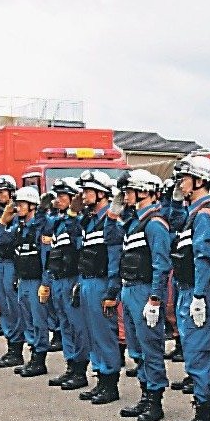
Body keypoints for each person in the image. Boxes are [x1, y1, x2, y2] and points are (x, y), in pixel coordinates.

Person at [167, 156, 210, 421]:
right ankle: (200, 414)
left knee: (199, 354)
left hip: (199, 290)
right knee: (193, 353)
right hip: (189, 288)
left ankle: (205, 420)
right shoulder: (194, 212)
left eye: (184, 179)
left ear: (199, 181)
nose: (179, 183)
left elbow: (205, 258)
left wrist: (200, 295)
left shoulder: (204, 214)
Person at [114, 170, 172, 421]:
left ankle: (155, 400)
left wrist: (155, 299)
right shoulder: (135, 221)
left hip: (145, 291)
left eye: (129, 191)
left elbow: (162, 264)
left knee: (151, 347)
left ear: (144, 191)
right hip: (129, 289)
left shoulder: (155, 223)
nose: (125, 196)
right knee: (136, 348)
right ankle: (145, 394)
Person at [76, 170, 125, 405]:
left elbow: (115, 257)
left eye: (87, 191)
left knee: (105, 335)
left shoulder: (111, 220)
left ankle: (110, 384)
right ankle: (99, 378)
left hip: (102, 282)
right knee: (92, 333)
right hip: (87, 281)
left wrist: (112, 290)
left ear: (101, 194)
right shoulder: (89, 221)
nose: (84, 196)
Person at [0, 187, 52, 376]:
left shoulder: (39, 227)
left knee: (38, 321)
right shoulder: (19, 227)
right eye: (16, 204)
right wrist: (4, 218)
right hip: (23, 281)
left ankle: (39, 360)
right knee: (27, 320)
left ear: (32, 205)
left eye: (21, 204)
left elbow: (46, 257)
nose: (17, 208)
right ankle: (31, 357)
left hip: (36, 281)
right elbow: (0, 238)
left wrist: (45, 283)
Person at [41, 177, 90, 390]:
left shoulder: (80, 222)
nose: (58, 200)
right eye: (57, 196)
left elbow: (78, 242)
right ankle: (71, 366)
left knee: (78, 327)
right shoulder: (58, 223)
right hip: (59, 279)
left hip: (73, 279)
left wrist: (73, 214)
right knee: (65, 325)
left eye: (62, 196)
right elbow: (42, 229)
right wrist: (43, 209)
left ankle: (80, 370)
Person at [0, 175, 26, 368]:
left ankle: (17, 350)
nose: (0, 196)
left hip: (12, 263)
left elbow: (3, 239)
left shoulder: (19, 215)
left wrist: (4, 220)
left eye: (3, 192)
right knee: (3, 306)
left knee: (13, 306)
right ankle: (11, 348)